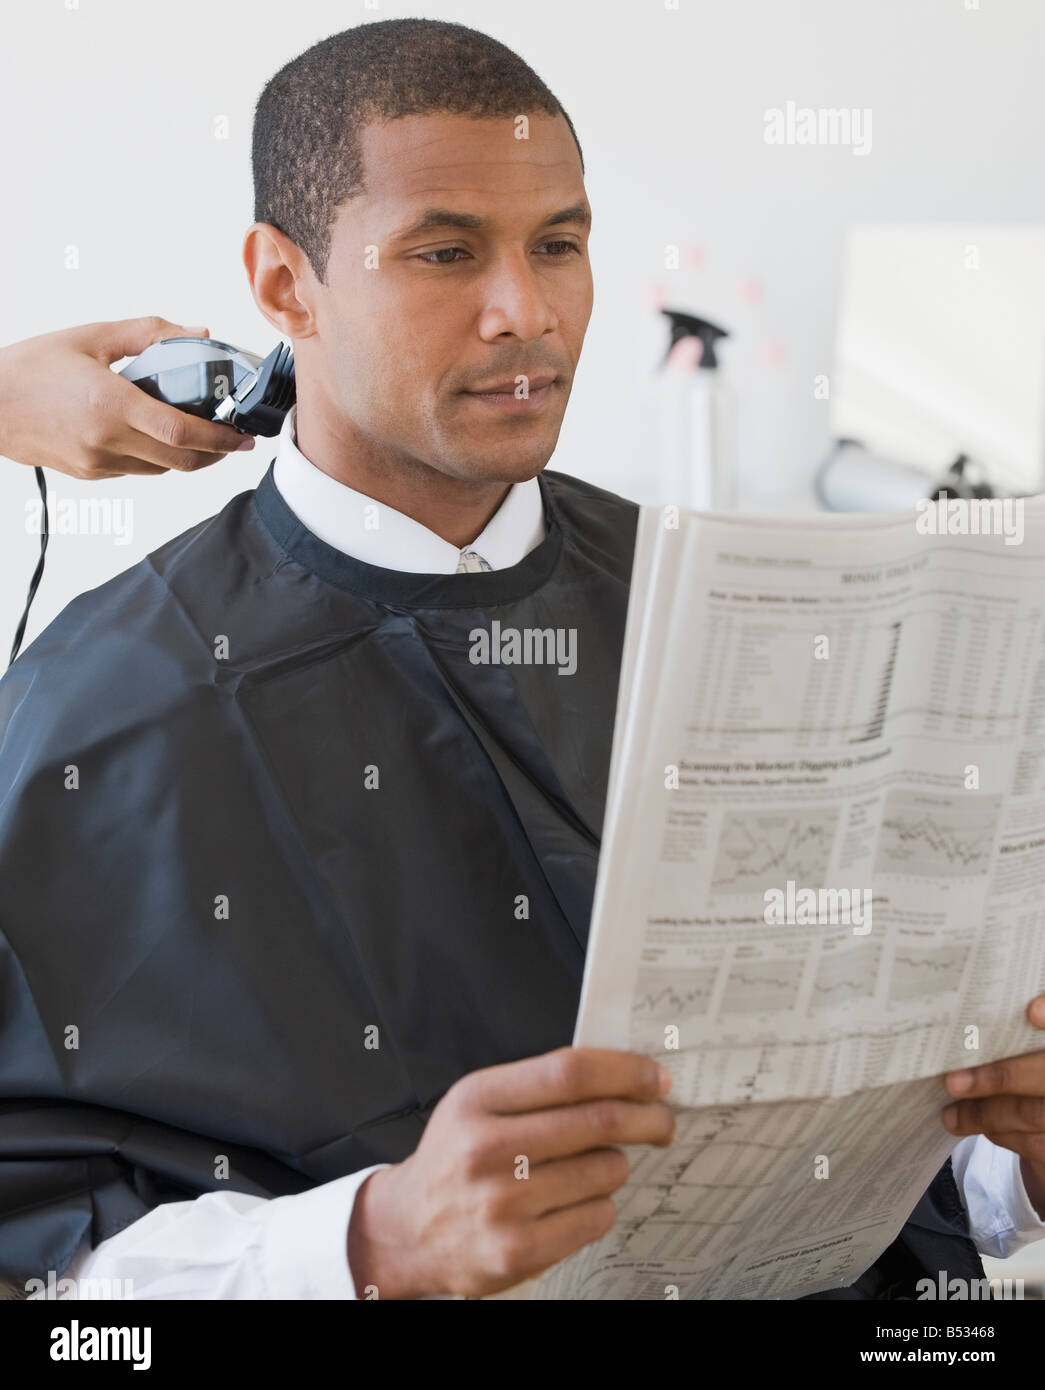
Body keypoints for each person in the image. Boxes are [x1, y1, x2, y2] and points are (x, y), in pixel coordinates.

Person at [1, 18, 1043, 1303]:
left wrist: (1013, 1163)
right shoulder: (100, 712)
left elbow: (870, 1133)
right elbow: (47, 1276)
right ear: (283, 287)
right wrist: (372, 1245)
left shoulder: (763, 612)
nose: (529, 311)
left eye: (560, 243)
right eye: (445, 253)